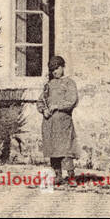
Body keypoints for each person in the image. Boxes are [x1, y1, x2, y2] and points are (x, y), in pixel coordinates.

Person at [36, 55, 78, 185]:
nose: (55, 72)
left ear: (63, 67)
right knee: (53, 150)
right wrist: (44, 110)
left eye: (57, 68)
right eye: (52, 69)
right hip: (49, 123)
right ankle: (58, 176)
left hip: (63, 123)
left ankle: (71, 177)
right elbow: (40, 101)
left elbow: (72, 101)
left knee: (66, 150)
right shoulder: (49, 85)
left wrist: (57, 106)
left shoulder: (69, 83)